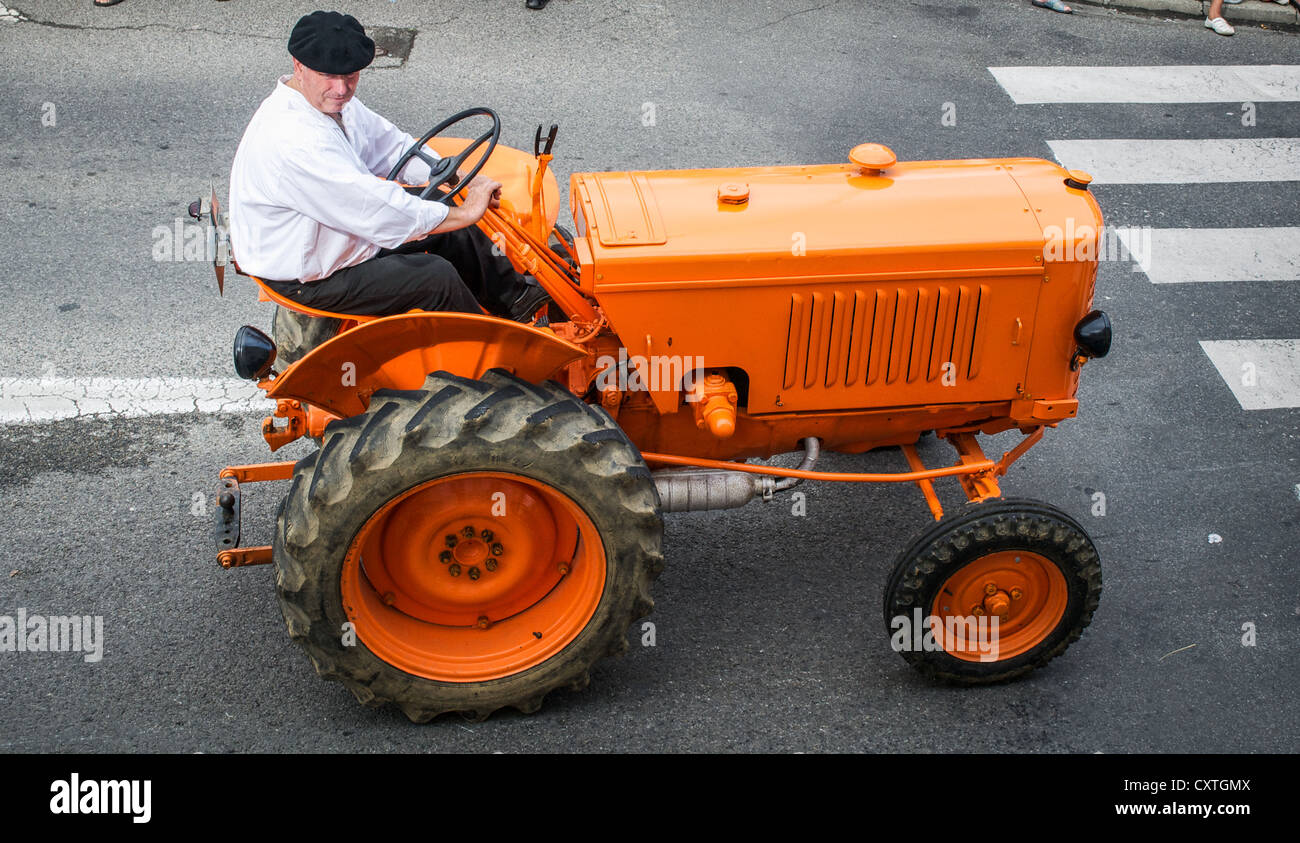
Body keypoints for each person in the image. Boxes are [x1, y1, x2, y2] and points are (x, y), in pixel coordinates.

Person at [228, 11, 551, 323]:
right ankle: (495, 355)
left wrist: (460, 178)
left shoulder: (330, 103)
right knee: (435, 277)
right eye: (329, 76)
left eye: (350, 76)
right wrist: (467, 212)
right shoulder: (294, 142)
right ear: (299, 67)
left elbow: (391, 146)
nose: (342, 89)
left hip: (338, 234)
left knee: (446, 206)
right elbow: (375, 211)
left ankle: (517, 299)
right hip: (312, 273)